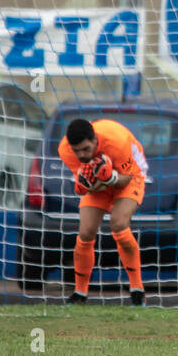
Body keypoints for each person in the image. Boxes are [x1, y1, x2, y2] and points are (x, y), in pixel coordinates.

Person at [57, 117, 149, 306]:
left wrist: (109, 176)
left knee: (119, 224)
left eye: (86, 149)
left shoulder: (117, 141)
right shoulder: (65, 150)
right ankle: (80, 293)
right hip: (103, 182)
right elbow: (87, 185)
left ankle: (137, 290)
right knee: (85, 232)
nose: (81, 155)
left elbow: (125, 178)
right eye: (77, 151)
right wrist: (88, 183)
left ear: (95, 140)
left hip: (127, 176)